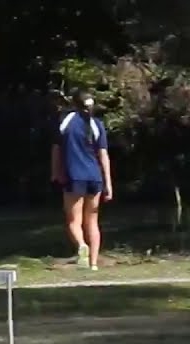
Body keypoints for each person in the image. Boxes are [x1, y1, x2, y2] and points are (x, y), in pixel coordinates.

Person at [51, 89, 112, 270]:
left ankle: (81, 246)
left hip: (74, 176)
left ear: (74, 104)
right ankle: (93, 264)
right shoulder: (97, 124)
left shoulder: (65, 122)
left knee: (73, 220)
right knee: (93, 221)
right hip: (95, 178)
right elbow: (103, 155)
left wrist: (55, 172)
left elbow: (56, 150)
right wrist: (108, 183)